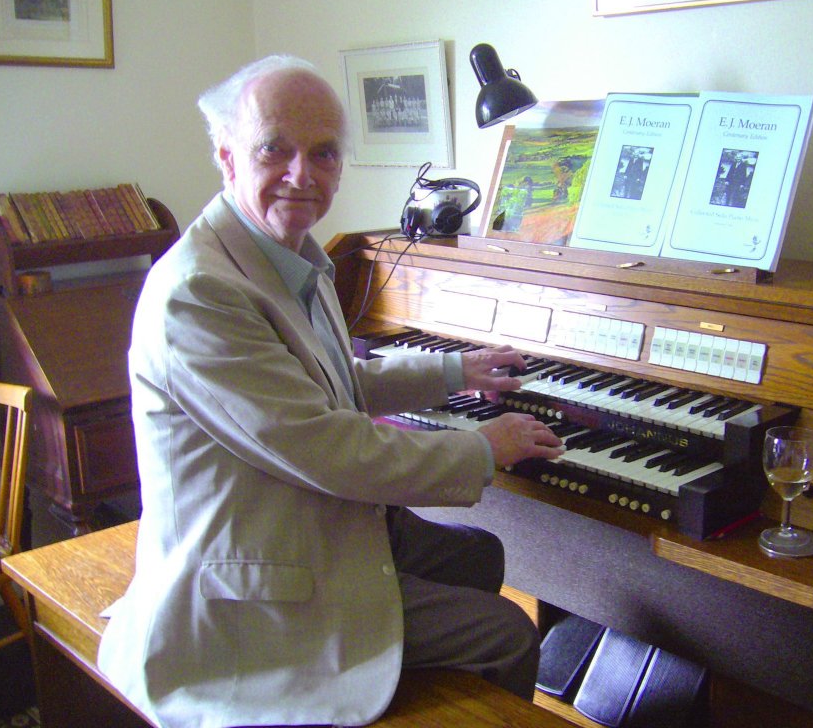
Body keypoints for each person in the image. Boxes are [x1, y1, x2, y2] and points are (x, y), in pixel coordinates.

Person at [97, 54, 564, 728]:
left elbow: (333, 382)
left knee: (476, 553)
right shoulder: (199, 292)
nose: (301, 175)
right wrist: (483, 448)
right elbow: (326, 445)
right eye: (274, 150)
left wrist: (455, 372)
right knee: (507, 632)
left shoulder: (281, 254)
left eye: (323, 154)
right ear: (227, 157)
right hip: (252, 586)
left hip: (299, 515)